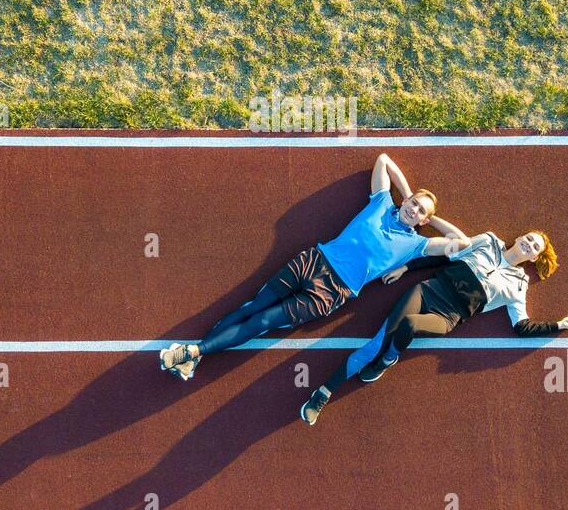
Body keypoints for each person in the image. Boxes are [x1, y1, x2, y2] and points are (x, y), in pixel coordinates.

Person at [160, 153, 464, 380]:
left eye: (420, 211)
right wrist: (410, 193)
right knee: (252, 305)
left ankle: (194, 352)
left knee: (264, 321)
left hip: (332, 292)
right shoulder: (382, 203)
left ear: (423, 221)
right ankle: (194, 355)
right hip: (312, 261)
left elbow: (460, 241)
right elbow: (384, 160)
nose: (413, 209)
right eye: (413, 203)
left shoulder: (416, 245)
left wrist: (430, 219)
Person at [299, 227, 568, 424]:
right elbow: (447, 253)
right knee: (375, 341)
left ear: (534, 258)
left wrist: (558, 325)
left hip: (449, 316)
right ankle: (322, 394)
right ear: (520, 236)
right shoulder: (489, 241)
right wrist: (407, 268)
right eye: (529, 238)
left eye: (535, 247)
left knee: (408, 326)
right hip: (427, 291)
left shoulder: (519, 284)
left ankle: (387, 359)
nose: (529, 244)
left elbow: (521, 325)